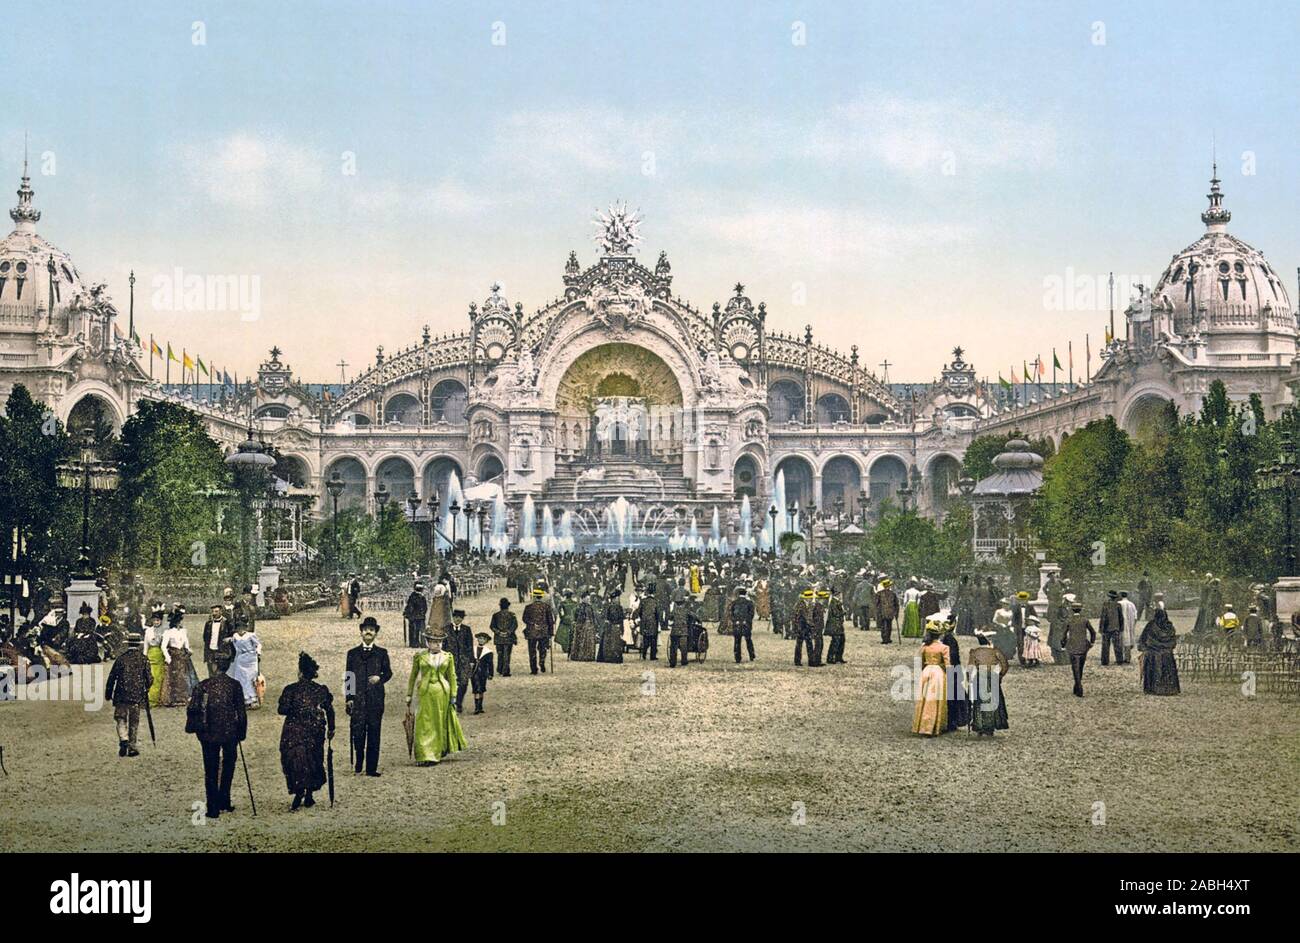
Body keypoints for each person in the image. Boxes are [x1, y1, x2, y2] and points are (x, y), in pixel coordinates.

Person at [186, 646, 248, 818]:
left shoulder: (203, 686)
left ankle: (212, 807)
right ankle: (224, 800)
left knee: (211, 770)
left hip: (208, 734)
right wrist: (241, 733)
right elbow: (241, 713)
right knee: (228, 767)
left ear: (214, 666)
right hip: (230, 734)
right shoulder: (235, 686)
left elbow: (193, 710)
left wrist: (197, 731)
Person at [278, 652, 335, 811]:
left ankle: (298, 790)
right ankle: (309, 793)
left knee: (293, 758)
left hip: (294, 730)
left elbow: (282, 710)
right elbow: (330, 710)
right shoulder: (320, 690)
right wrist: (332, 728)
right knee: (313, 758)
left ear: (300, 673)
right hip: (314, 728)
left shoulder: (290, 689)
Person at [406, 627, 467, 765]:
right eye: (434, 641)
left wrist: (453, 695)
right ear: (427, 642)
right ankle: (424, 754)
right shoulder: (420, 656)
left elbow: (451, 676)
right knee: (424, 722)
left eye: (440, 642)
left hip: (441, 692)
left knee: (438, 721)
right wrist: (409, 694)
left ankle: (436, 753)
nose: (437, 644)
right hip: (425, 692)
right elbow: (413, 676)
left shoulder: (447, 656)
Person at [345, 616, 392, 777]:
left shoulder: (382, 653)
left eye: (371, 630)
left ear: (376, 633)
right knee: (358, 733)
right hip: (357, 700)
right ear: (361, 632)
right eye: (366, 630)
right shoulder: (352, 654)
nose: (368, 632)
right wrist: (349, 698)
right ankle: (359, 763)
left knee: (374, 733)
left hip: (375, 700)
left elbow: (389, 673)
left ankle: (371, 768)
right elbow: (349, 676)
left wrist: (380, 678)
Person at [104, 630, 152, 757]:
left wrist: (108, 693)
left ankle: (123, 739)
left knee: (120, 718)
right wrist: (145, 688)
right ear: (139, 645)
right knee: (134, 721)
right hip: (136, 696)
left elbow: (112, 677)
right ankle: (132, 746)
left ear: (127, 644)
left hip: (121, 695)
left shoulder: (121, 659)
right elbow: (149, 679)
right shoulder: (144, 659)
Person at [967, 629, 1010, 736]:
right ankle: (991, 726)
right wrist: (1000, 676)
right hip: (992, 677)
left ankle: (979, 725)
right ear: (989, 641)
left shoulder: (975, 652)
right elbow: (1005, 665)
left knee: (979, 702)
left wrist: (969, 679)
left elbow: (970, 667)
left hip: (979, 677)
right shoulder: (995, 651)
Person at [911, 627, 950, 736]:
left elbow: (920, 662)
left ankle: (922, 725)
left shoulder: (924, 647)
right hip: (938, 673)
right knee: (935, 700)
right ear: (940, 635)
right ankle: (932, 726)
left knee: (924, 699)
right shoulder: (944, 647)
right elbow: (948, 665)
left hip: (926, 671)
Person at [1137, 608, 1181, 695]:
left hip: (1153, 653)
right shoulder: (1169, 627)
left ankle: (1153, 688)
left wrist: (1144, 648)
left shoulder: (1151, 625)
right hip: (1166, 653)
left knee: (1152, 659)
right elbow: (1173, 642)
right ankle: (1169, 688)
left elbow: (1143, 639)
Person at [160, 607, 197, 707]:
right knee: (174, 678)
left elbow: (186, 644)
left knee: (184, 677)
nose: (181, 623)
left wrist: (189, 650)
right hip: (173, 656)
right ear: (176, 622)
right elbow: (163, 646)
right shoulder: (168, 632)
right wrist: (168, 658)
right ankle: (174, 698)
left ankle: (183, 697)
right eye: (180, 621)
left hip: (182, 656)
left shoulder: (183, 632)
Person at [1062, 600, 1096, 697]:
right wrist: (1092, 642)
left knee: (1074, 667)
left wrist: (1063, 644)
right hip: (1083, 646)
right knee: (1080, 667)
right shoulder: (1085, 620)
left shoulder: (1069, 620)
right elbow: (1093, 632)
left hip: (1072, 646)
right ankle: (1077, 686)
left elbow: (1064, 634)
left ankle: (1078, 686)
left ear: (1072, 610)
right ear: (1081, 610)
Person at [939, 620, 969, 731]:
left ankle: (952, 721)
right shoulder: (949, 639)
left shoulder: (946, 639)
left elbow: (952, 657)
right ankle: (952, 721)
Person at [226, 618, 262, 707]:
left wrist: (258, 652)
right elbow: (233, 642)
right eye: (239, 628)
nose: (241, 630)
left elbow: (258, 644)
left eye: (242, 628)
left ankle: (253, 698)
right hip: (241, 658)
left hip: (251, 658)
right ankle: (244, 698)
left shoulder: (251, 635)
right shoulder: (235, 636)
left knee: (251, 678)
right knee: (240, 677)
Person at [444, 609, 474, 713]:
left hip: (463, 660)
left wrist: (471, 660)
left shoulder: (467, 629)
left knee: (464, 682)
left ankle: (459, 702)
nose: (458, 619)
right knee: (448, 681)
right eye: (456, 617)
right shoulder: (446, 629)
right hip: (449, 660)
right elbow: (443, 646)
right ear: (453, 617)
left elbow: (470, 645)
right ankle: (449, 703)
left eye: (460, 617)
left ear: (462, 618)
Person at [523, 587, 556, 673]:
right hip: (543, 631)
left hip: (532, 631)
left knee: (532, 650)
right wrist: (551, 632)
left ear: (534, 597)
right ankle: (542, 661)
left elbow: (524, 619)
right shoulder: (546, 607)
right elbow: (550, 621)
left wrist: (532, 624)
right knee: (543, 649)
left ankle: (534, 669)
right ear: (541, 597)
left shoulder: (528, 607)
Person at [142, 605, 166, 708]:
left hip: (159, 655)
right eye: (154, 620)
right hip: (150, 655)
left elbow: (164, 646)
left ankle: (154, 699)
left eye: (158, 620)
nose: (156, 622)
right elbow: (145, 646)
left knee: (157, 678)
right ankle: (147, 698)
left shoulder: (164, 631)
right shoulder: (148, 631)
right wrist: (144, 657)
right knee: (148, 677)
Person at [202, 604, 231, 678]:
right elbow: (205, 637)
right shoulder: (208, 623)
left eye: (216, 611)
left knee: (220, 674)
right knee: (211, 673)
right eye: (213, 611)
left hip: (221, 652)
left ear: (221, 612)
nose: (214, 613)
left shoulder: (226, 622)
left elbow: (231, 635)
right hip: (210, 651)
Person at [490, 598, 518, 676]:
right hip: (509, 638)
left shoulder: (495, 615)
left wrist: (499, 632)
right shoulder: (512, 615)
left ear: (500, 606)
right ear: (508, 606)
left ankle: (500, 668)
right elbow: (515, 625)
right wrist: (508, 632)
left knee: (500, 653)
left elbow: (492, 626)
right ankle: (505, 670)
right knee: (507, 654)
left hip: (499, 638)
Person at [470, 630, 495, 714]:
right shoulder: (472, 649)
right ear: (477, 639)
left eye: (483, 639)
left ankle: (480, 706)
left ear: (486, 641)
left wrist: (491, 674)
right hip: (474, 672)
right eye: (480, 638)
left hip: (483, 672)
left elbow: (490, 664)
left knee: (481, 688)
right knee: (476, 688)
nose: (481, 640)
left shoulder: (488, 652)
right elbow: (470, 660)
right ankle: (476, 707)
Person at [730, 586, 756, 663]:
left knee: (737, 641)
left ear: (738, 594)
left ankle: (737, 657)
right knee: (748, 640)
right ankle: (751, 655)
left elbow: (731, 614)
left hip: (737, 624)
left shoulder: (734, 603)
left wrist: (735, 621)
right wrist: (746, 621)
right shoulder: (749, 603)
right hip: (746, 624)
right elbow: (751, 614)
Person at [599, 589, 625, 663]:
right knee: (612, 643)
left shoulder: (617, 607)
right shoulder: (612, 607)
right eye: (617, 598)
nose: (618, 599)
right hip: (612, 627)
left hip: (614, 627)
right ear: (613, 599)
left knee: (614, 643)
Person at [668, 592, 690, 668]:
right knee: (684, 647)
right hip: (683, 631)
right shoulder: (686, 610)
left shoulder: (674, 611)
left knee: (673, 647)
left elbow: (670, 617)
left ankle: (673, 662)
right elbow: (693, 615)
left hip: (674, 631)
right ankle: (684, 661)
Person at [637, 585, 659, 660]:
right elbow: (657, 613)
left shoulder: (643, 601)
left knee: (645, 638)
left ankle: (644, 654)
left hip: (644, 622)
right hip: (653, 622)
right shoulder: (655, 601)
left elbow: (639, 612)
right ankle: (652, 656)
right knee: (653, 639)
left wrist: (643, 618)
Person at [404, 583, 428, 649]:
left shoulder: (412, 597)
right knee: (421, 630)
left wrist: (407, 613)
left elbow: (410, 607)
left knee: (414, 630)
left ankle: (414, 643)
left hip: (414, 617)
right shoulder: (422, 597)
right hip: (420, 616)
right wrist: (423, 614)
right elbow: (425, 608)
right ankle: (422, 644)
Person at [874, 578, 899, 644]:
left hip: (882, 612)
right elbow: (896, 604)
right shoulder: (893, 594)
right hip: (890, 612)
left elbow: (876, 603)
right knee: (889, 625)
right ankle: (888, 638)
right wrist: (896, 613)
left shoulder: (879, 593)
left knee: (883, 626)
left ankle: (884, 639)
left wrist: (877, 611)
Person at [555, 588, 577, 654]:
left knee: (564, 633)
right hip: (572, 619)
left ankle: (565, 647)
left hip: (565, 619)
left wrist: (561, 617)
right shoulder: (575, 603)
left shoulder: (563, 603)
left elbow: (559, 611)